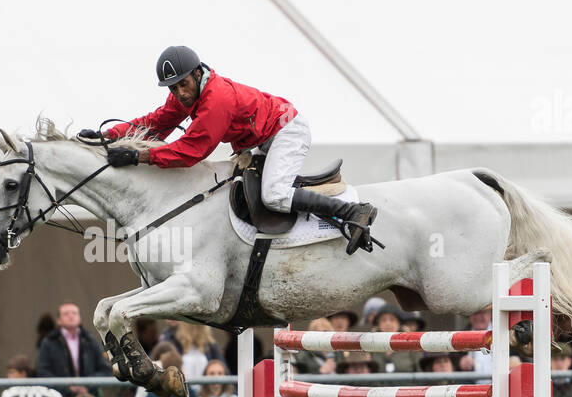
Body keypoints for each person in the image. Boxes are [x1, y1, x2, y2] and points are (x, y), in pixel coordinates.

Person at [98, 45, 377, 253]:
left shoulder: (216, 99)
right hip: (261, 140)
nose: (180, 93)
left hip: (286, 131)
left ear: (197, 73)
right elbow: (156, 123)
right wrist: (107, 135)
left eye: (183, 84)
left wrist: (139, 156)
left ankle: (352, 212)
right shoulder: (189, 94)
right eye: (173, 88)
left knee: (275, 196)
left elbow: (191, 151)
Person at [36, 301, 109, 397]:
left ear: (79, 318)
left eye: (74, 313)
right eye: (66, 314)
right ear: (59, 320)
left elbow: (104, 370)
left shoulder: (90, 341)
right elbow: (42, 371)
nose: (71, 316)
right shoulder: (48, 342)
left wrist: (87, 385)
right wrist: (66, 387)